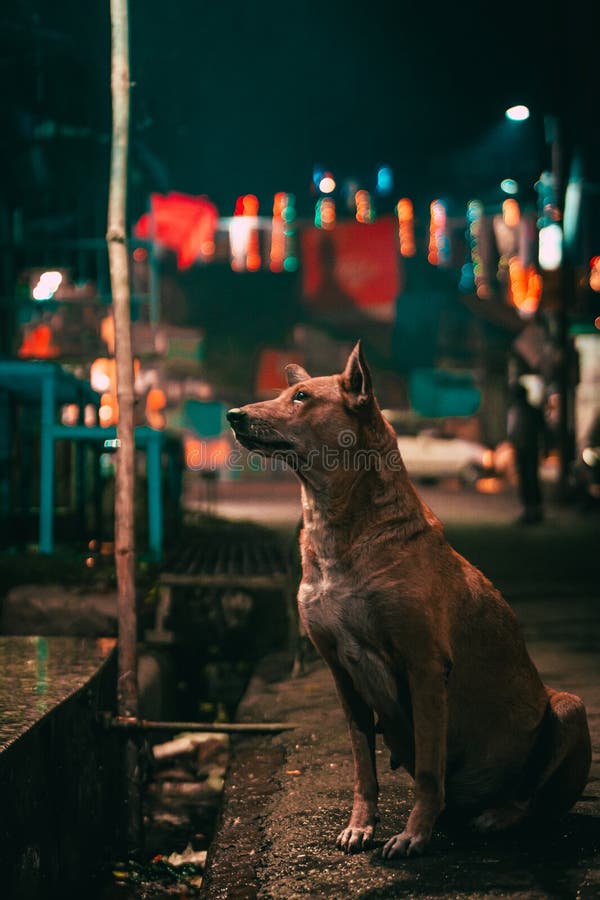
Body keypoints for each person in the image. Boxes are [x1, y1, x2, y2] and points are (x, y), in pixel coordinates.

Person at [507, 383, 546, 524]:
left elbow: (513, 432)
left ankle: (533, 510)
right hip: (524, 449)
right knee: (527, 479)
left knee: (530, 479)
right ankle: (530, 510)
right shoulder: (519, 411)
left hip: (528, 449)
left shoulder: (521, 411)